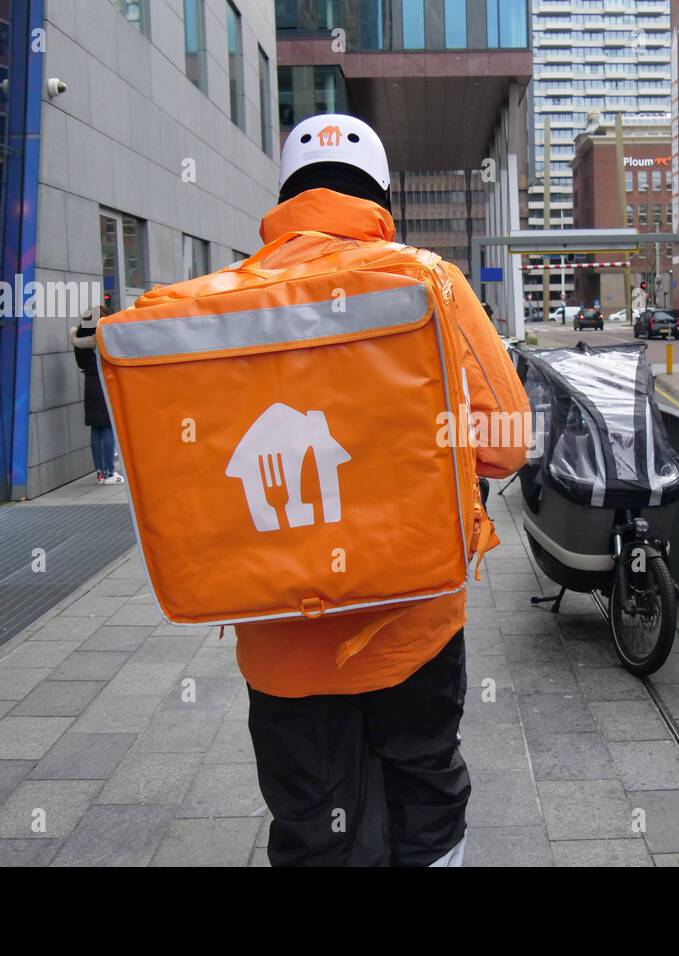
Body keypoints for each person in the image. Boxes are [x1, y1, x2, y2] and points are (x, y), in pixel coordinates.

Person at [236, 114, 529, 867]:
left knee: (311, 819)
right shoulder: (429, 283)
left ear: (284, 194)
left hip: (281, 628)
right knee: (422, 787)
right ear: (381, 195)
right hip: (412, 617)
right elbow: (505, 443)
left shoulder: (228, 304)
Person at [70, 306, 123, 484]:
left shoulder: (78, 337)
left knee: (96, 427)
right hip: (104, 381)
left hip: (90, 382)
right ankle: (109, 472)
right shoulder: (103, 335)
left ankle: (100, 472)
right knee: (107, 425)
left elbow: (81, 363)